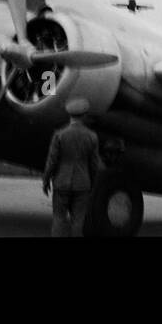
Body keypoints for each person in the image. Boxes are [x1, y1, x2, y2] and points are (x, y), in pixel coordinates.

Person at [43, 97, 102, 237]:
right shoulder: (92, 136)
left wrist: (46, 180)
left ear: (69, 115)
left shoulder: (59, 135)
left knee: (58, 218)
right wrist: (92, 182)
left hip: (61, 183)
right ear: (85, 115)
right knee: (78, 221)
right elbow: (94, 164)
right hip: (82, 184)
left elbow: (52, 161)